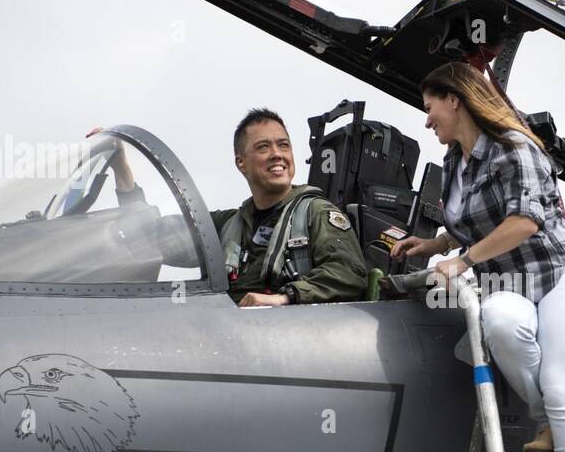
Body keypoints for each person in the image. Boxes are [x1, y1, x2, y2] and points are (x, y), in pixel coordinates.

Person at [390, 62, 565, 452]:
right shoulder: (456, 161)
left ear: (456, 101)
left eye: (430, 108)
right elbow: (468, 224)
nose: (427, 122)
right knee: (497, 322)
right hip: (513, 287)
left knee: (560, 384)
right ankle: (553, 422)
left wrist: (463, 261)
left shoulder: (516, 148)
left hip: (562, 279)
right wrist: (434, 243)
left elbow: (525, 221)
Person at [90, 110, 366, 306]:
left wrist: (285, 297)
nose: (277, 154)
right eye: (263, 147)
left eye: (284, 145)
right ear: (241, 162)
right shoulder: (228, 225)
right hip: (233, 337)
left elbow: (350, 273)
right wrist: (121, 166)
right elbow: (150, 236)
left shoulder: (316, 213)